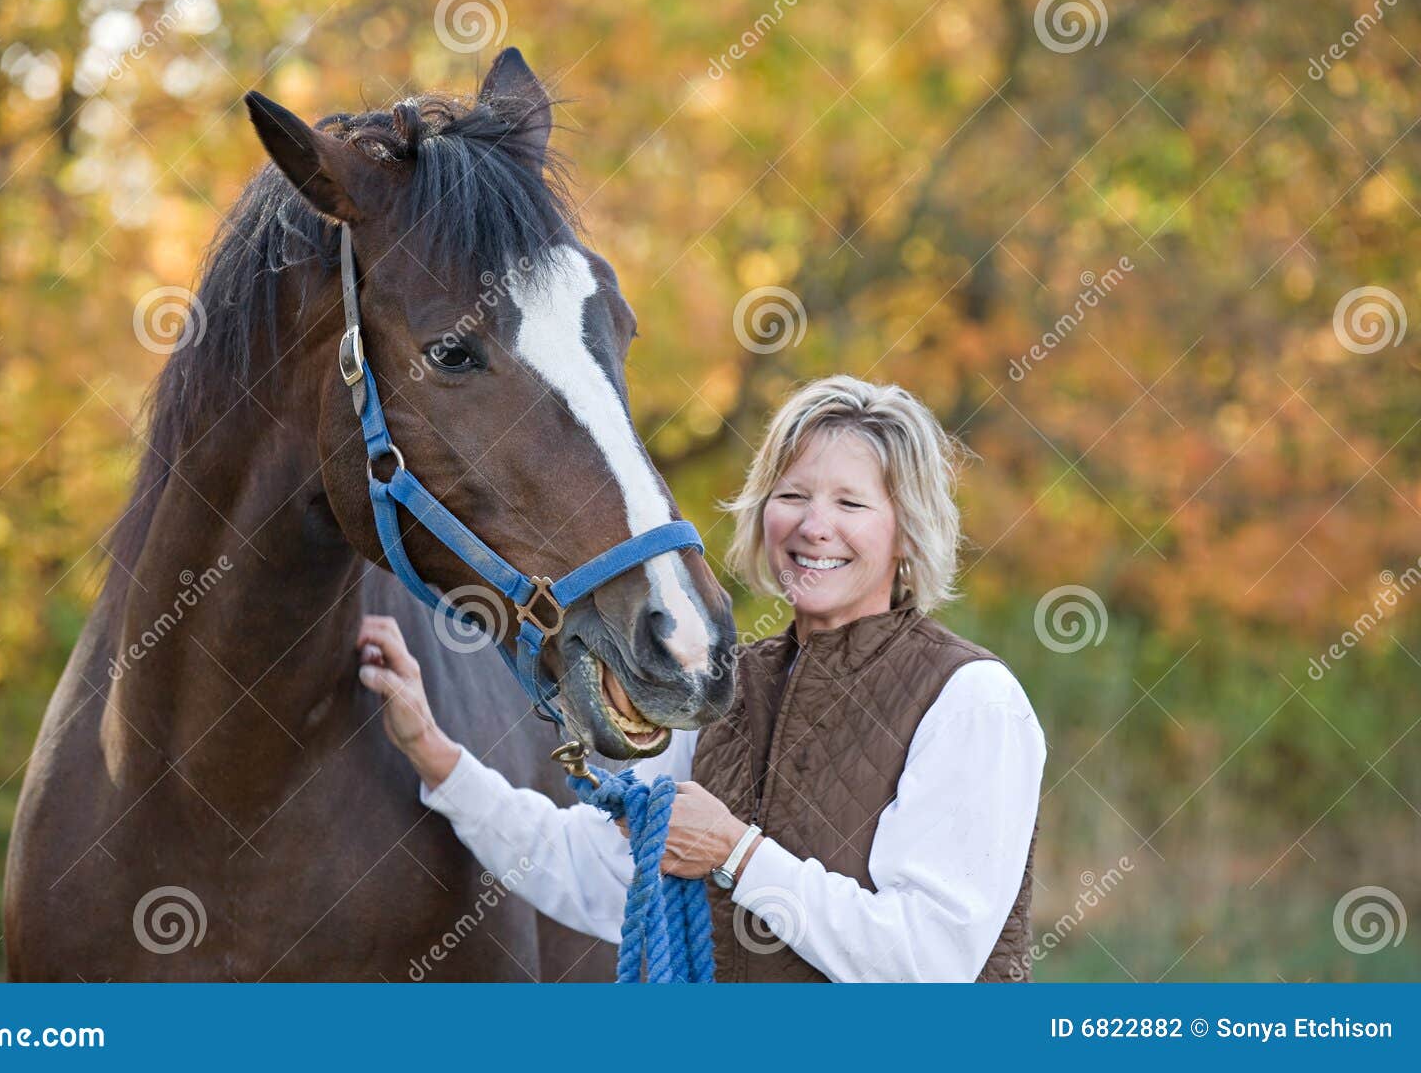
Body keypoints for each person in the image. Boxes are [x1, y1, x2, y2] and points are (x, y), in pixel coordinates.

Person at [357, 375, 1046, 981]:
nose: (813, 525)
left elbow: (926, 963)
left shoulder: (971, 700)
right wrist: (436, 757)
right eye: (793, 494)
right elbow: (600, 878)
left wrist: (736, 853)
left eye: (852, 505)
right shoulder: (728, 690)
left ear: (906, 531)